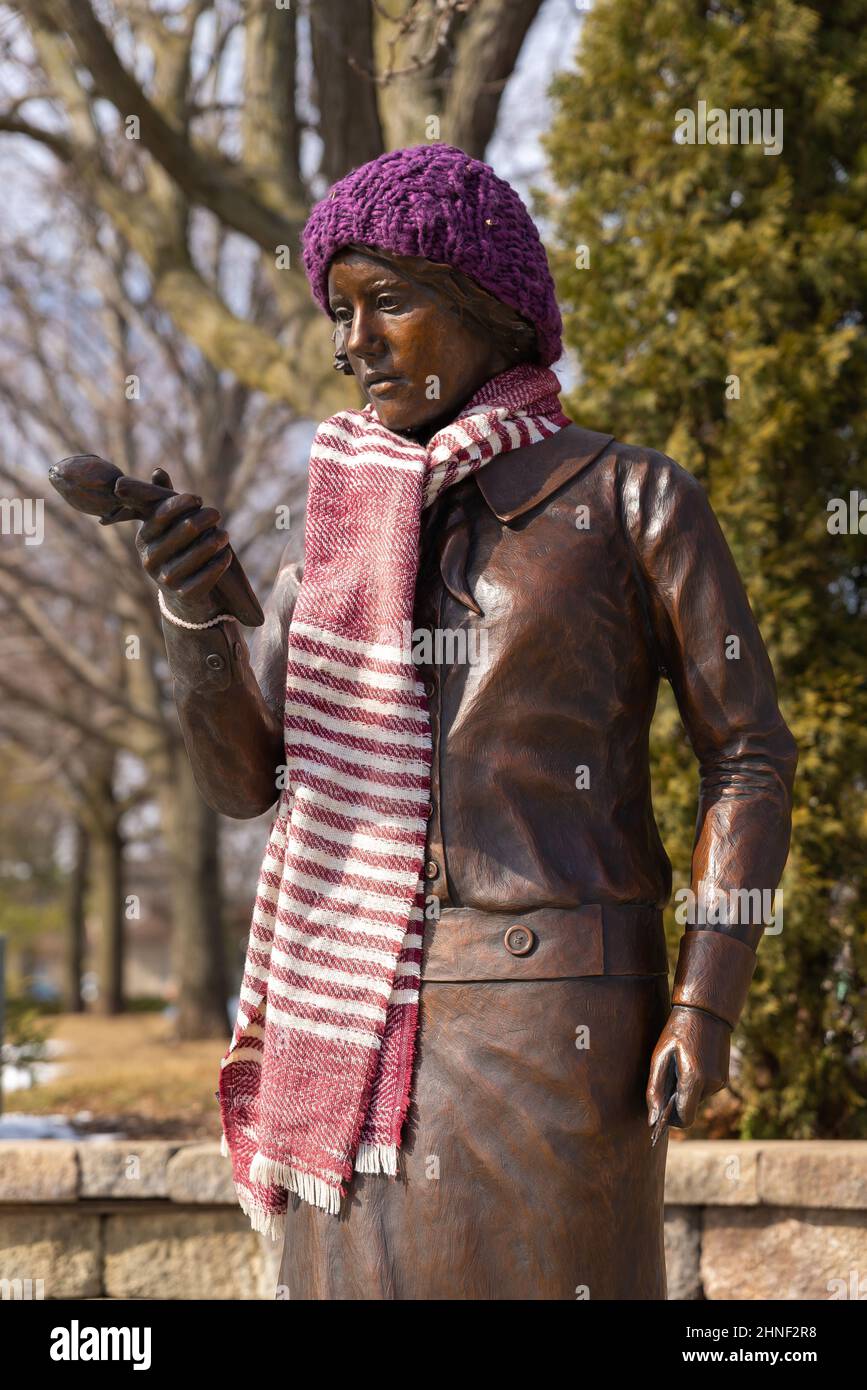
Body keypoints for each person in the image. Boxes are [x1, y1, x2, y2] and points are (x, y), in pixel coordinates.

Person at [130, 143, 797, 1300]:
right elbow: (251, 782)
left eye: (390, 300)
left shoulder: (630, 498)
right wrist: (196, 623)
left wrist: (706, 997)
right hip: (345, 1022)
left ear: (489, 308)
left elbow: (747, 756)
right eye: (340, 310)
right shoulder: (336, 540)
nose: (355, 342)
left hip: (557, 1028)